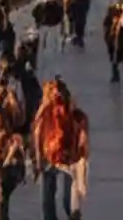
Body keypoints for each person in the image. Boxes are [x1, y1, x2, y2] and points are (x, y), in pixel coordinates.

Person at [31, 77, 90, 220]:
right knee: (67, 201)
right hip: (68, 158)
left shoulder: (44, 113)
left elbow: (37, 134)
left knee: (49, 201)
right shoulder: (76, 114)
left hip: (52, 157)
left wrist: (37, 161)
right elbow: (83, 140)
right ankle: (73, 213)